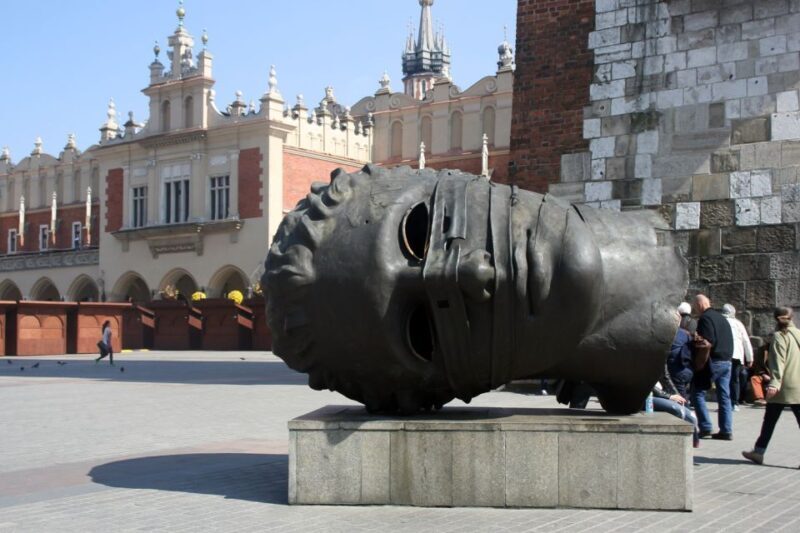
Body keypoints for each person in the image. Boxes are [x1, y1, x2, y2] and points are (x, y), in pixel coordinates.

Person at [742, 307, 800, 466]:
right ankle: (758, 451)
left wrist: (774, 383)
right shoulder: (799, 334)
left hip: (784, 387)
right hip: (798, 386)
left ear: (775, 319)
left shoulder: (781, 336)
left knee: (769, 421)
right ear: (792, 317)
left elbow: (778, 362)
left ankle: (759, 452)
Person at [691, 294, 734, 440]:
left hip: (714, 360)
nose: (694, 309)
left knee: (697, 392)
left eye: (695, 306)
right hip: (727, 360)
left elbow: (708, 341)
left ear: (700, 304)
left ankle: (706, 427)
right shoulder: (721, 317)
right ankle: (726, 430)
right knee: (724, 396)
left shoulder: (705, 318)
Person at [651, 365, 700, 447]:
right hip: (648, 396)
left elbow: (666, 377)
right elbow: (645, 382)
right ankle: (680, 444)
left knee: (691, 416)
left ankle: (691, 443)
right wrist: (669, 396)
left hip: (660, 393)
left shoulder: (661, 355)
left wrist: (677, 395)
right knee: (678, 410)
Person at [722, 304, 753, 411]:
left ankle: (724, 402)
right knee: (735, 379)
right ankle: (735, 403)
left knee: (723, 380)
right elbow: (746, 341)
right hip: (736, 355)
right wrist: (750, 358)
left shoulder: (720, 322)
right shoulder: (738, 324)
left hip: (723, 355)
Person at [669, 305, 694, 400]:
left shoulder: (671, 334)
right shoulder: (686, 334)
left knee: (681, 399)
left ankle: (686, 412)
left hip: (677, 369)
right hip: (688, 368)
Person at [750, 340, 772, 406]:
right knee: (755, 378)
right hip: (766, 373)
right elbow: (757, 364)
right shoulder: (763, 350)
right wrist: (762, 374)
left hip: (779, 375)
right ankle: (760, 399)